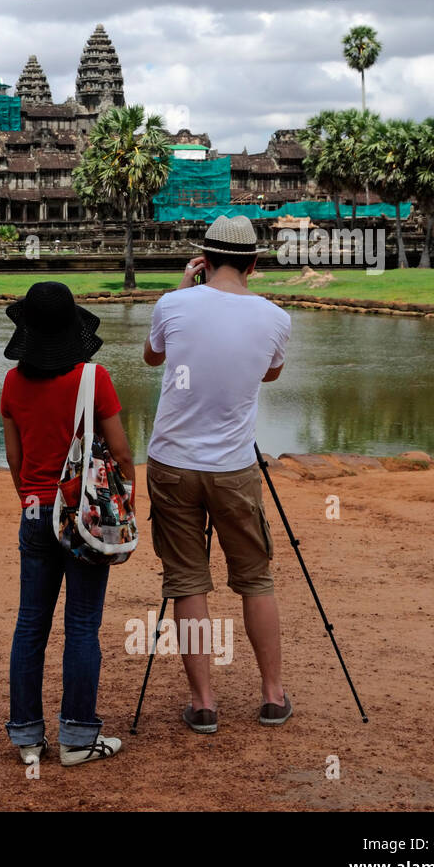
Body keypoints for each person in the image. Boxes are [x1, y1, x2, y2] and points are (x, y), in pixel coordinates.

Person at [142, 215, 293, 734]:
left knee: (187, 582)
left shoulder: (173, 303)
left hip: (172, 463)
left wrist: (185, 287)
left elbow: (151, 356)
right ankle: (272, 695)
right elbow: (269, 371)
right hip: (233, 466)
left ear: (203, 260)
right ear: (254, 263)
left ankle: (203, 703)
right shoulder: (275, 316)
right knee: (255, 577)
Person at [0, 281, 136, 766]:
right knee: (82, 626)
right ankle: (78, 739)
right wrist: (125, 502)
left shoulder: (13, 384)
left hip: (36, 514)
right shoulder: (93, 380)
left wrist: (31, 501)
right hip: (82, 517)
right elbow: (119, 452)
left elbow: (14, 458)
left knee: (30, 625)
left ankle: (27, 738)